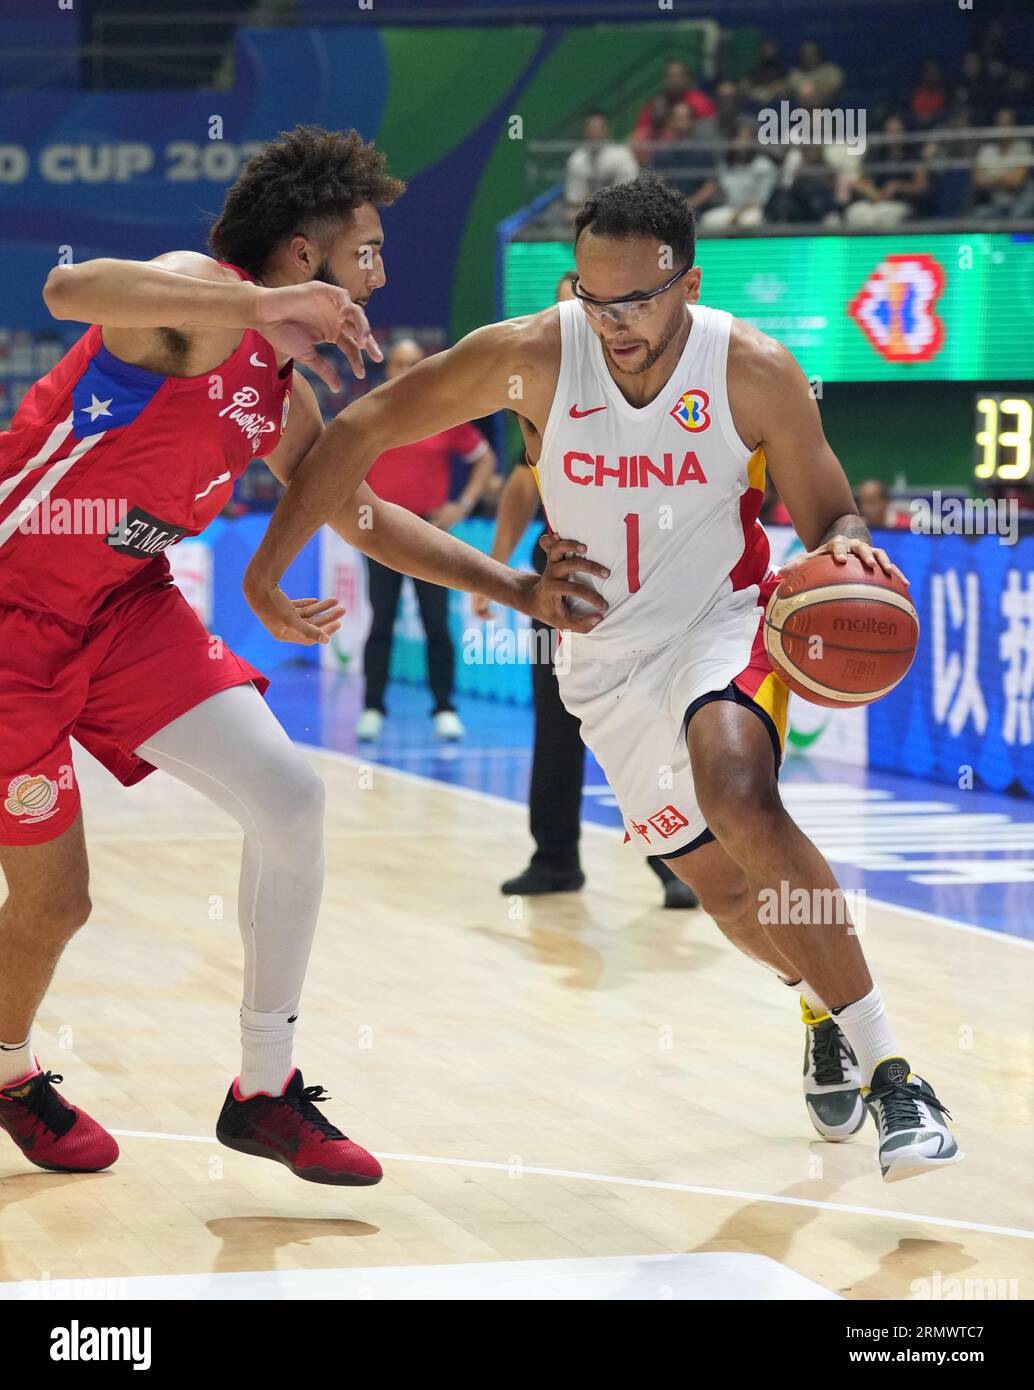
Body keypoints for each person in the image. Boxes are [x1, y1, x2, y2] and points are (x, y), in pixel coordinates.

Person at [245, 172, 962, 1182]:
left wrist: (853, 549)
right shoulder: (531, 355)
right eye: (592, 294)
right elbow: (357, 433)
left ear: (687, 283)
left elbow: (828, 513)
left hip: (721, 624)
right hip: (601, 660)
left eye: (636, 298)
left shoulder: (750, 370)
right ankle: (818, 1005)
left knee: (737, 788)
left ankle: (896, 1074)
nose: (612, 320)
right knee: (720, 896)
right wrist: (270, 563)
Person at [0, 125, 587, 1184]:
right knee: (58, 903)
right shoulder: (192, 297)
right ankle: (6, 1068)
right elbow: (68, 290)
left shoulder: (283, 394)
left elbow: (355, 512)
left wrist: (514, 589)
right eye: (365, 249)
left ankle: (263, 1090)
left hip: (126, 610)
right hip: (10, 622)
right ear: (305, 259)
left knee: (287, 795)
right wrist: (257, 305)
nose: (382, 270)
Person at [473, 273, 698, 909]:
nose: (588, 320)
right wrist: (501, 567)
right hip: (564, 589)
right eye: (575, 307)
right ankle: (555, 859)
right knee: (557, 726)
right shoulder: (547, 381)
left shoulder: (660, 383)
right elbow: (522, 483)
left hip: (652, 585)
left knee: (653, 732)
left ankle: (676, 862)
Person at [359, 338, 496, 742]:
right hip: (380, 534)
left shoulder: (444, 414)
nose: (406, 370)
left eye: (414, 363)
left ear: (426, 367)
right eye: (399, 363)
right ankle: (372, 708)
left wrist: (462, 505)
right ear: (388, 371)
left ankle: (444, 709)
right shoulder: (369, 415)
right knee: (380, 621)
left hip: (429, 534)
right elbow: (341, 465)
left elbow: (485, 459)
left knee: (437, 623)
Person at [565, 112, 639, 218]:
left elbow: (630, 195)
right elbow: (575, 200)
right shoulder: (576, 160)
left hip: (621, 212)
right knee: (569, 215)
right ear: (585, 131)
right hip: (588, 214)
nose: (594, 134)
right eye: (591, 129)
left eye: (598, 129)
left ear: (607, 130)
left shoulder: (622, 156)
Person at [971, 108, 1034, 220]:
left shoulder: (1023, 147)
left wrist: (992, 178)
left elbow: (1017, 181)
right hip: (994, 202)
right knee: (979, 214)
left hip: (1019, 201)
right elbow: (978, 180)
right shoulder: (986, 150)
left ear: (1014, 126)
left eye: (1008, 124)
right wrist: (1004, 177)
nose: (1003, 128)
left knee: (1020, 213)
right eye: (1000, 123)